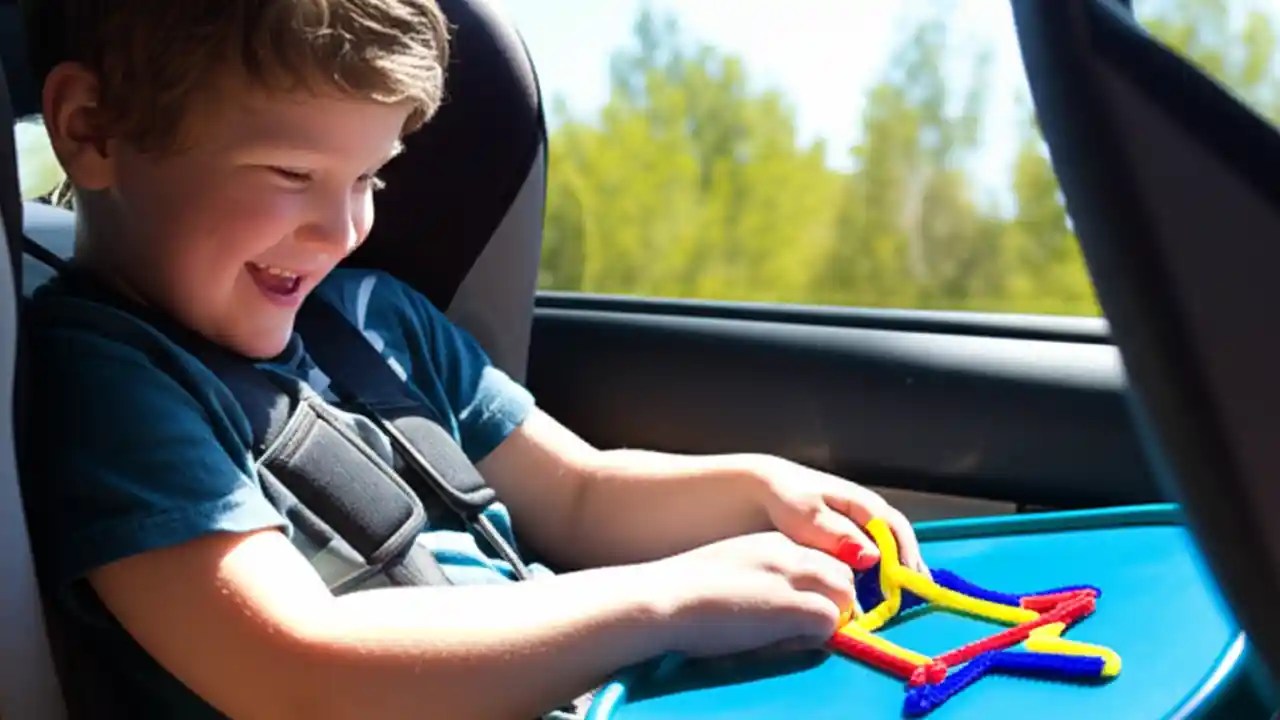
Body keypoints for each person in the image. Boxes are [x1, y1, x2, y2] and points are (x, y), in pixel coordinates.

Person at [20, 0, 926, 717]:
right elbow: (296, 674)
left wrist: (757, 488)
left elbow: (578, 493)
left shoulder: (377, 322)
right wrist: (664, 602)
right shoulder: (107, 381)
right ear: (93, 130)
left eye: (370, 177)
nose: (342, 230)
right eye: (291, 174)